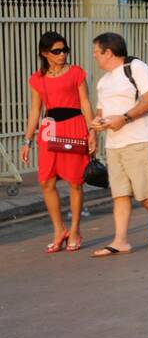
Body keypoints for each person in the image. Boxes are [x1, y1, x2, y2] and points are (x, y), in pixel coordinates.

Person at [88, 34, 148, 257]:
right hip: (114, 145)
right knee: (120, 194)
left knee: (146, 194)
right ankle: (120, 240)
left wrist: (124, 118)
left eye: (96, 51)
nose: (94, 55)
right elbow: (101, 110)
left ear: (108, 52)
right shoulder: (103, 81)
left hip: (140, 139)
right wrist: (96, 125)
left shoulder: (136, 67)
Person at [20, 32, 95, 252]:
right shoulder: (37, 79)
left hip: (74, 126)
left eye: (64, 50)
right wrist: (27, 140)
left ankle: (74, 230)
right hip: (49, 130)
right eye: (56, 51)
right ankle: (58, 229)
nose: (62, 55)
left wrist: (92, 132)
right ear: (44, 54)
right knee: (46, 181)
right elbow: (35, 110)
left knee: (74, 181)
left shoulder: (76, 73)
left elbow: (85, 103)